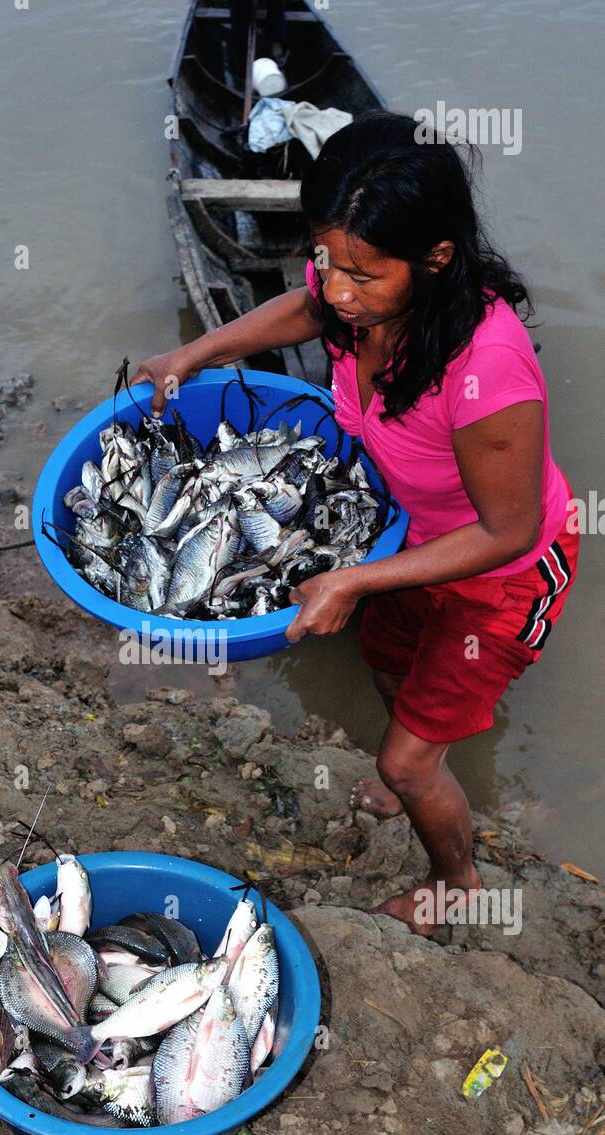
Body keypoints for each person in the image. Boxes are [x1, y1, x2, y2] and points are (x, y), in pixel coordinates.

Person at [132, 111, 576, 936]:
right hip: (406, 540)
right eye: (325, 261)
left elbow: (509, 529)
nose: (338, 291)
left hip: (500, 576)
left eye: (363, 276)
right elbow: (302, 311)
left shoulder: (488, 371)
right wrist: (191, 357)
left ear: (437, 256)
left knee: (403, 758)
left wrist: (354, 577)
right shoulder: (348, 292)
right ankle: (420, 761)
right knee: (388, 669)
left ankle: (455, 877)